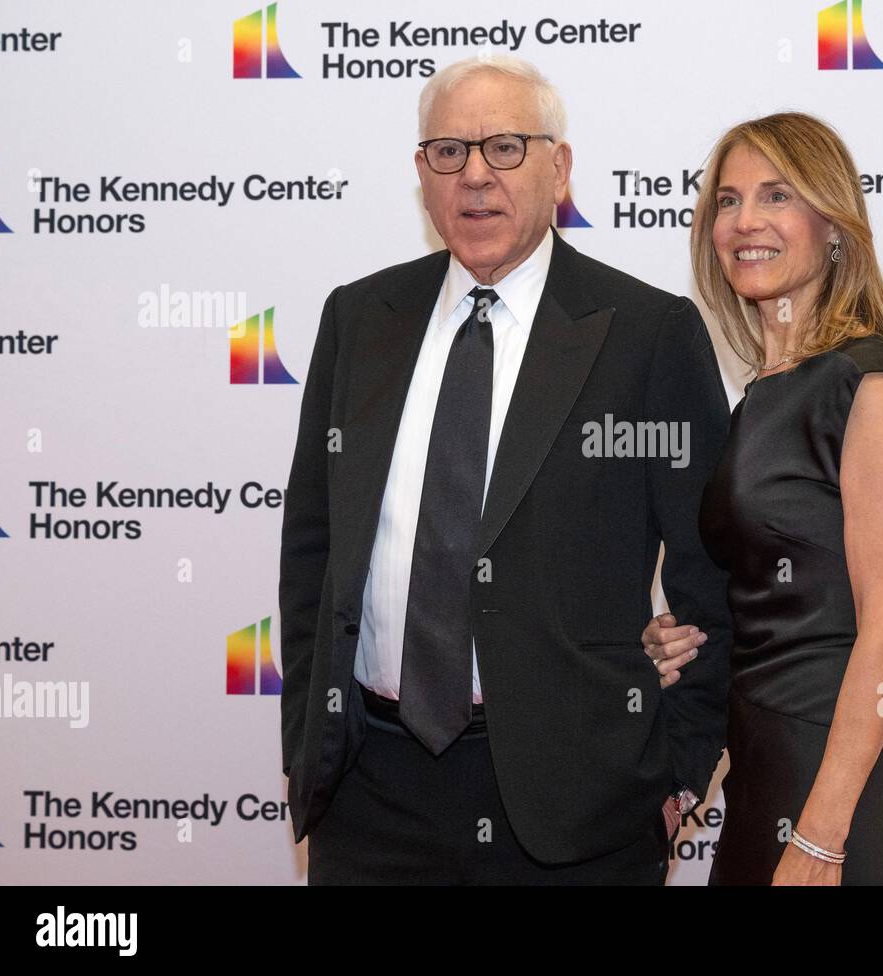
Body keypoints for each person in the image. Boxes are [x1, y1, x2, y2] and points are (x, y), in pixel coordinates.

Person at [279, 55, 732, 884]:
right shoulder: (358, 320)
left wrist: (677, 770)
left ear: (559, 168)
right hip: (370, 794)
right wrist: (309, 748)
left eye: (506, 147)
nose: (476, 175)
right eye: (448, 151)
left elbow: (714, 582)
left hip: (577, 805)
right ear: (422, 176)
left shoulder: (646, 335)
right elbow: (312, 553)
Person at [644, 112, 883, 884]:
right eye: (726, 200)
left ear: (833, 227)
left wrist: (821, 838)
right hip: (766, 766)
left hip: (846, 781)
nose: (744, 221)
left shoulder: (867, 383)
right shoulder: (762, 394)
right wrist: (683, 638)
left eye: (776, 196)